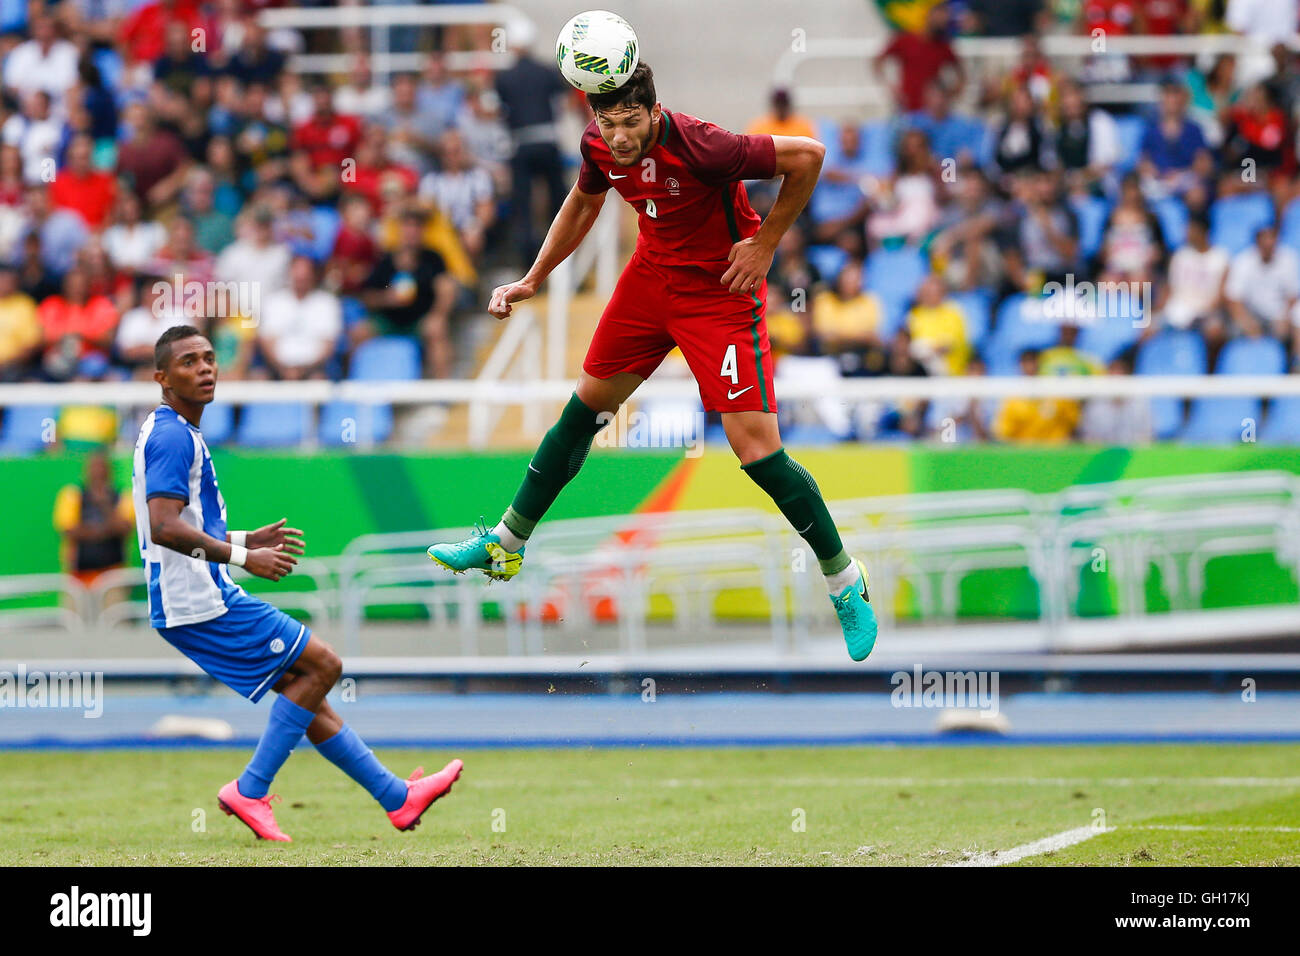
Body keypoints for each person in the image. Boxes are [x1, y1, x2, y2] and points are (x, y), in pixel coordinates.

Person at [426, 63, 878, 662]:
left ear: (654, 111)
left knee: (757, 451)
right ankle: (506, 544)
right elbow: (584, 204)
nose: (617, 135)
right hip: (651, 279)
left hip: (719, 291)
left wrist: (766, 242)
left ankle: (846, 580)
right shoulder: (597, 143)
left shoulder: (704, 145)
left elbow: (809, 157)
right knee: (584, 410)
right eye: (606, 121)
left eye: (629, 120)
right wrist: (534, 277)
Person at [133, 324, 462, 842]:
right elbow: (164, 527)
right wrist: (243, 556)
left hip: (192, 596)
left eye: (209, 358)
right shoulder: (173, 434)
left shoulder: (174, 429)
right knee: (324, 665)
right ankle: (249, 789)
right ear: (162, 377)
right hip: (198, 599)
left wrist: (238, 535)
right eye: (189, 362)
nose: (205, 369)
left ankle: (398, 798)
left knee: (306, 692)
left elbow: (183, 522)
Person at [53, 451, 134, 589]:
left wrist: (104, 504)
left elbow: (124, 528)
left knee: (114, 611)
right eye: (94, 468)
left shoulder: (122, 496)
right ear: (86, 471)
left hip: (113, 576)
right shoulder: (72, 495)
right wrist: (103, 531)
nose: (98, 473)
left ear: (110, 471)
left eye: (102, 468)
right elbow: (69, 530)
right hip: (79, 575)